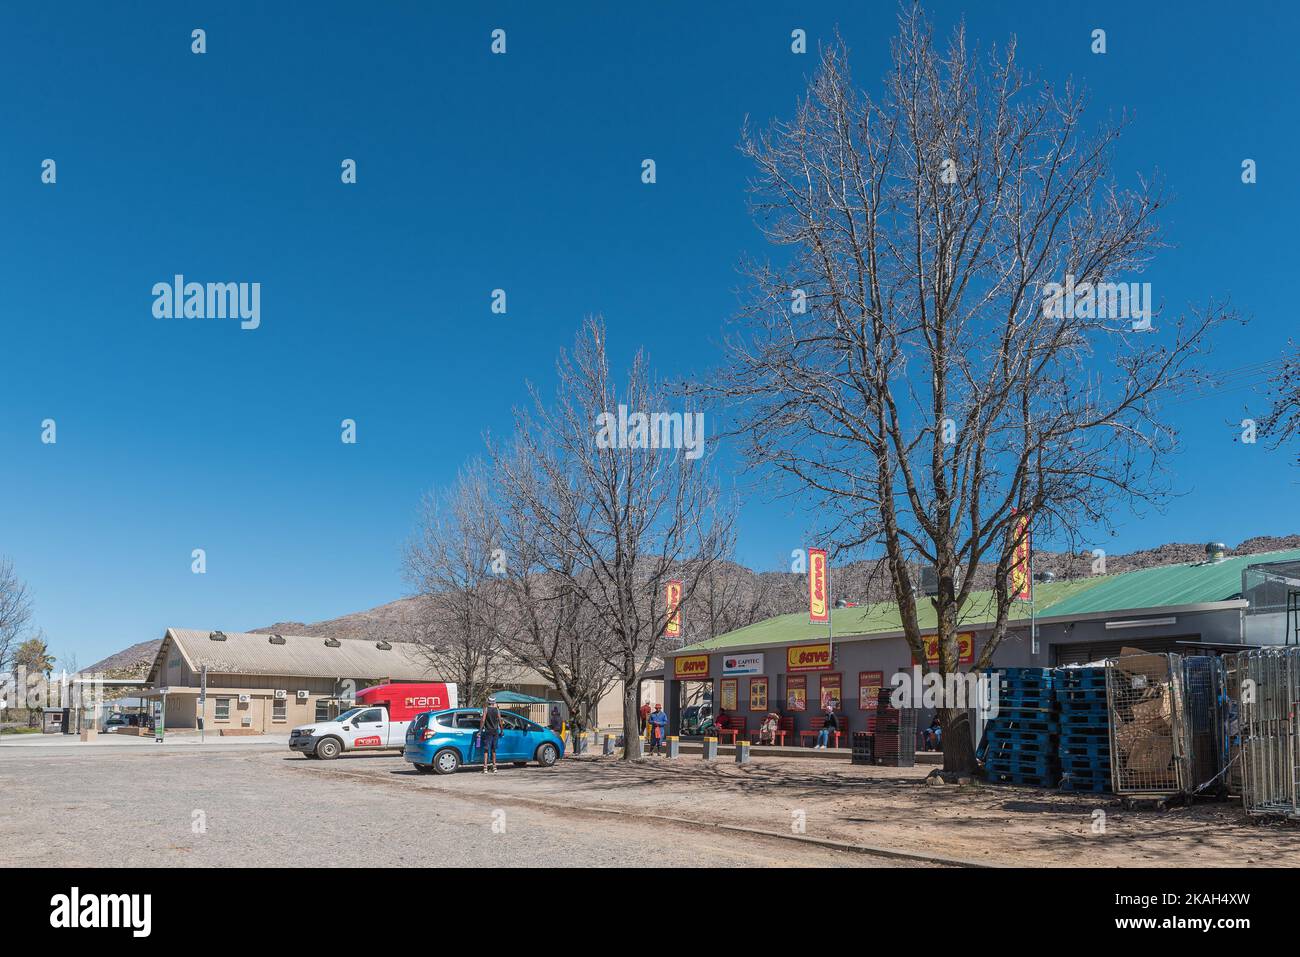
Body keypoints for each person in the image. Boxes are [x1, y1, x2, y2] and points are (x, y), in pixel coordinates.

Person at [480, 696, 503, 773]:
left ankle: (485, 768)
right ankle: (494, 767)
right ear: (494, 702)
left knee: (486, 749)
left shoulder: (486, 709)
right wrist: (502, 730)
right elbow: (500, 720)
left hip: (488, 731)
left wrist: (480, 731)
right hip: (495, 731)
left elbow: (483, 720)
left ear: (488, 702)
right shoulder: (497, 710)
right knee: (493, 750)